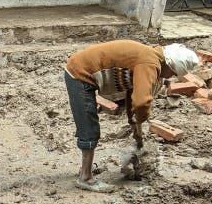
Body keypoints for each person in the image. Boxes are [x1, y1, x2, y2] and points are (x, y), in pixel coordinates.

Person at [64, 41, 199, 193]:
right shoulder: (149, 63)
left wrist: (134, 124)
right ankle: (85, 178)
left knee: (88, 125)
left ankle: (84, 169)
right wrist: (141, 119)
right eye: (174, 73)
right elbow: (142, 102)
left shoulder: (149, 56)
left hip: (80, 68)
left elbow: (133, 94)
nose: (172, 77)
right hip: (79, 74)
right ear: (170, 65)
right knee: (89, 126)